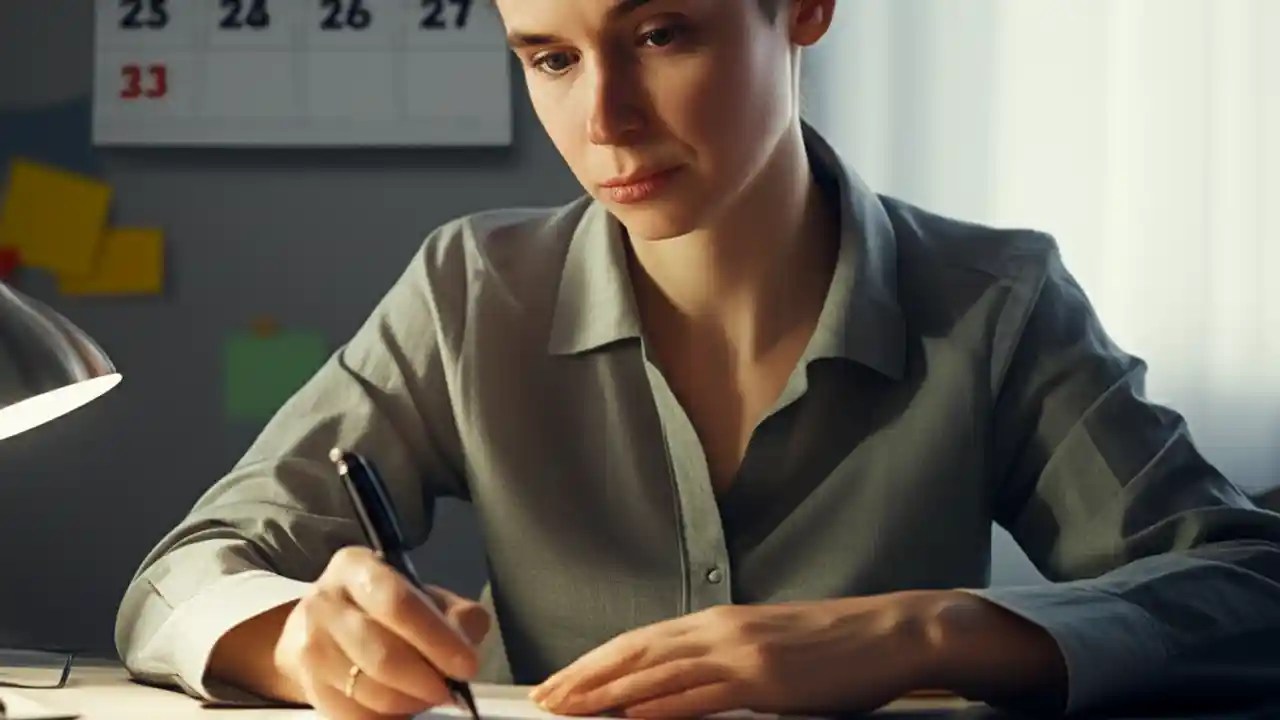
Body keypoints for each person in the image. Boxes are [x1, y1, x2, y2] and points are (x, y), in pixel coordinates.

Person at [115, 1, 1280, 718]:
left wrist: (923, 635)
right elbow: (185, 575)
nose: (604, 120)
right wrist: (296, 636)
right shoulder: (469, 290)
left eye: (659, 34)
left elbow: (1248, 592)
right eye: (549, 57)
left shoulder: (997, 301)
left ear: (805, 7)